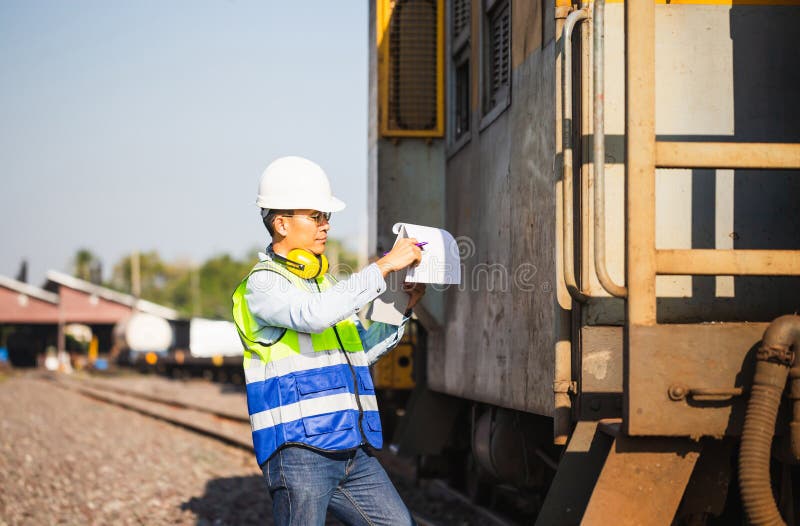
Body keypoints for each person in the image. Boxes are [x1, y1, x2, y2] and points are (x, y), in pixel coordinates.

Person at [232, 156, 425, 526]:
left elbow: (361, 352)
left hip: (350, 448)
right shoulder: (263, 284)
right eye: (316, 216)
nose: (326, 225)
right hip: (299, 452)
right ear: (282, 223)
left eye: (326, 216)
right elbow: (313, 315)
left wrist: (402, 305)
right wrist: (383, 266)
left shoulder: (327, 285)